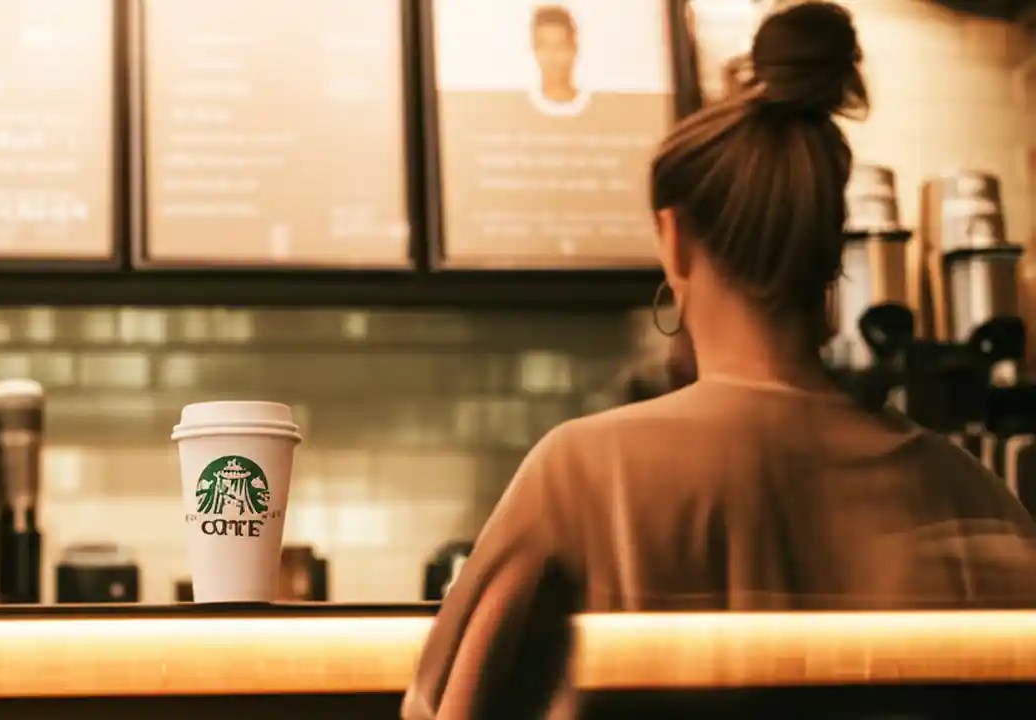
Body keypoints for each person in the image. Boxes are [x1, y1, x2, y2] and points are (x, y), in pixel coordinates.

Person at [402, 3, 1036, 718]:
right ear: (833, 248)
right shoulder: (969, 495)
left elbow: (441, 707)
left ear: (673, 241)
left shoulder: (581, 477)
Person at [529, 5, 588, 116]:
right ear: (534, 50)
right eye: (545, 47)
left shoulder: (603, 109)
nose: (552, 56)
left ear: (574, 48)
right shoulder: (516, 111)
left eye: (560, 46)